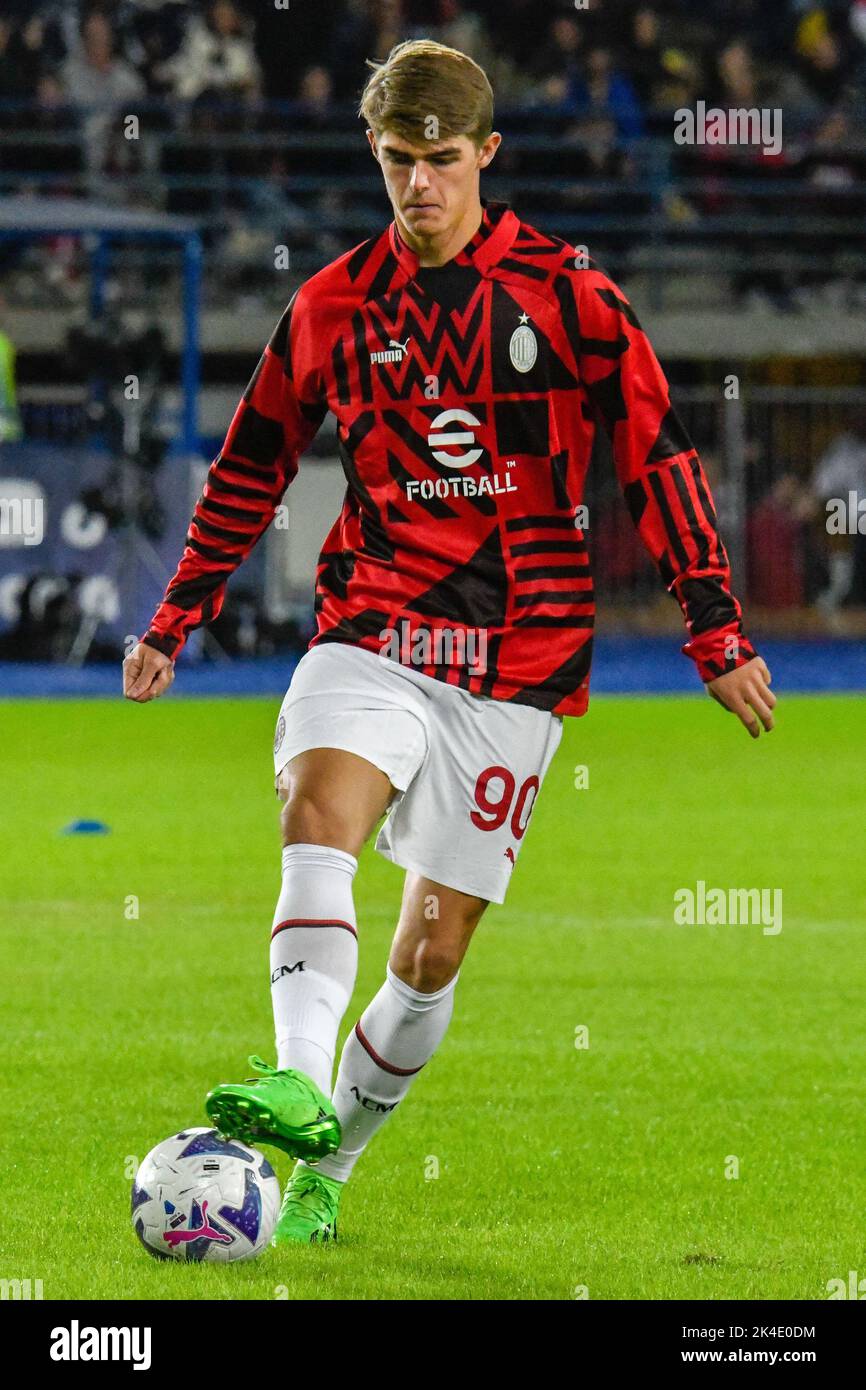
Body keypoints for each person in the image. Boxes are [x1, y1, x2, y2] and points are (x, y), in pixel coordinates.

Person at [122, 38, 776, 1246]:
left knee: (430, 953)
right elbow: (250, 467)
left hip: (518, 662)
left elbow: (655, 454)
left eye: (437, 160)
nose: (416, 184)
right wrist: (177, 614)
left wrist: (713, 625)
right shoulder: (328, 307)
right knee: (317, 810)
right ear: (373, 157)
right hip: (368, 626)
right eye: (394, 161)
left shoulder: (571, 297)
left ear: (484, 155)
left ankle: (331, 1165)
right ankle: (296, 1081)